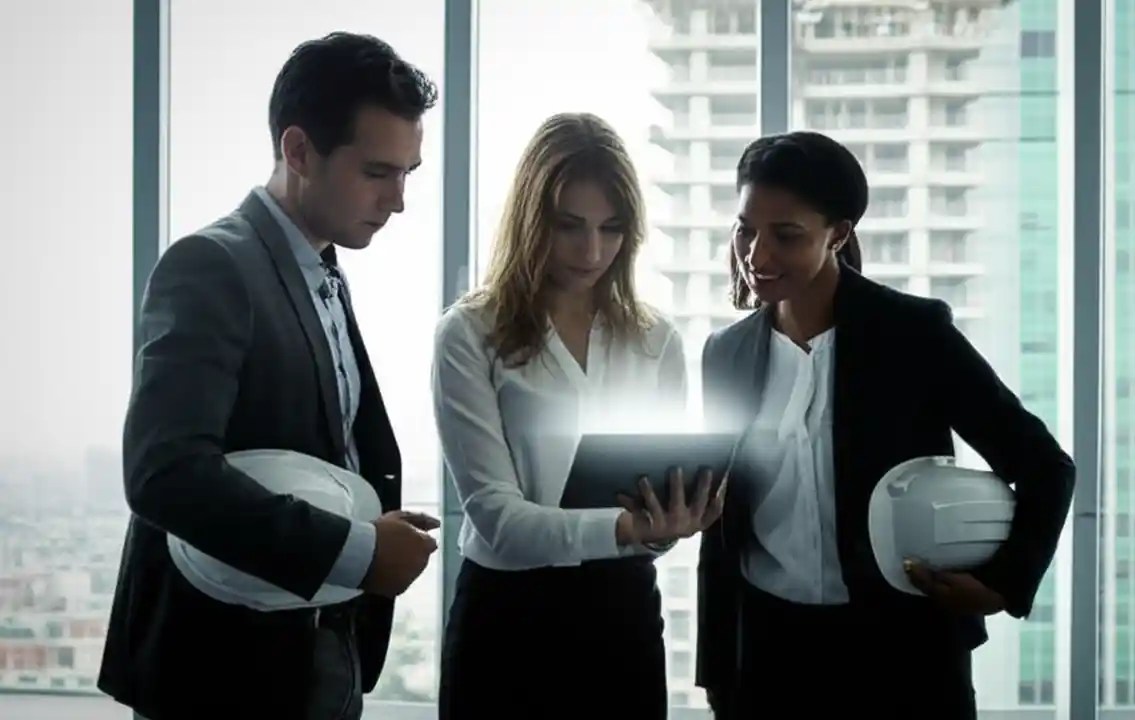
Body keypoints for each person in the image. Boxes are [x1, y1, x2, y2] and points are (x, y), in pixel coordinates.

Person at [99, 32, 441, 720]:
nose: (399, 201)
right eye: (378, 172)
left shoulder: (324, 272)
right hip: (220, 673)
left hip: (316, 654)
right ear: (297, 150)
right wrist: (357, 549)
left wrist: (365, 522)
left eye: (409, 172)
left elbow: (307, 451)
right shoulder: (212, 265)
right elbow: (163, 472)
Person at [695, 131, 1077, 718]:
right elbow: (722, 534)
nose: (757, 256)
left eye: (786, 235)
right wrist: (718, 671)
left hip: (903, 652)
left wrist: (1004, 581)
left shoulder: (913, 334)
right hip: (769, 655)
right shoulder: (725, 353)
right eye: (746, 229)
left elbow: (1045, 465)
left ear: (838, 234)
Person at [432, 112, 726, 719]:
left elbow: (654, 525)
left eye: (611, 228)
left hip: (622, 617)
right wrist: (626, 530)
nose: (592, 251)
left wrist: (675, 520)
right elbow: (498, 521)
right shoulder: (469, 333)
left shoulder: (656, 340)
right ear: (531, 220)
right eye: (569, 227)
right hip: (506, 619)